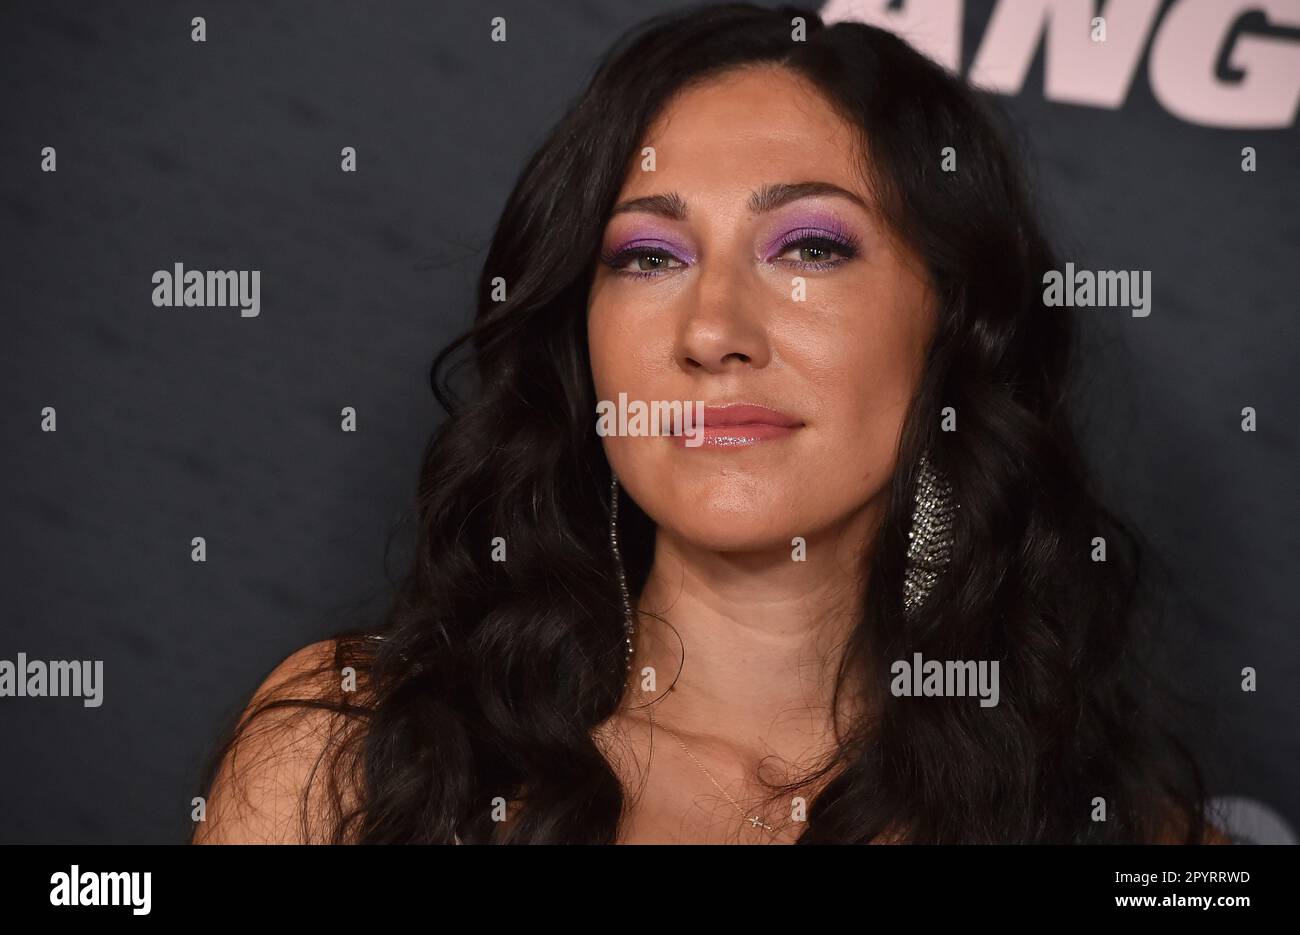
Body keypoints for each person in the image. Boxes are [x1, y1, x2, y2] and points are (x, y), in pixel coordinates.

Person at [191, 2, 1224, 845]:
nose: (713, 330)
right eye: (647, 257)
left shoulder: (1135, 844)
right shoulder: (353, 752)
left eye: (810, 247)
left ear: (953, 328)